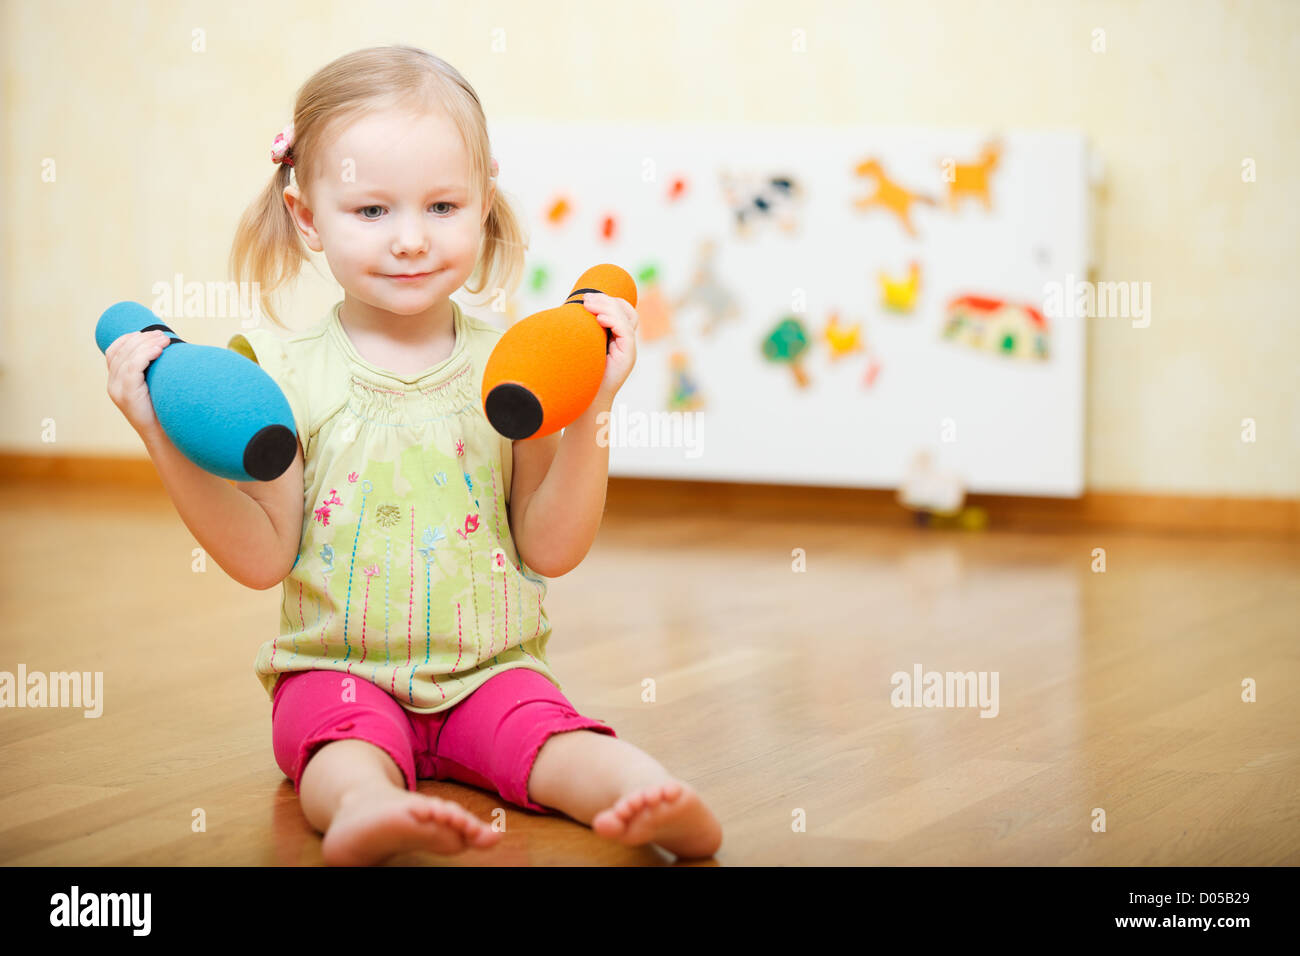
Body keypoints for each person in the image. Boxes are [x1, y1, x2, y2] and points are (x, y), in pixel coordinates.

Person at [104, 44, 721, 865]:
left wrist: (592, 411)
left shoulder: (516, 372)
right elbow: (262, 558)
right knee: (343, 754)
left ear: (484, 202)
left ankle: (647, 794)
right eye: (371, 211)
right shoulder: (283, 375)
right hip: (335, 677)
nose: (409, 240)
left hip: (492, 672)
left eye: (441, 206)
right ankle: (364, 809)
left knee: (561, 741)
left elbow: (551, 547)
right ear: (307, 216)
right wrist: (157, 435)